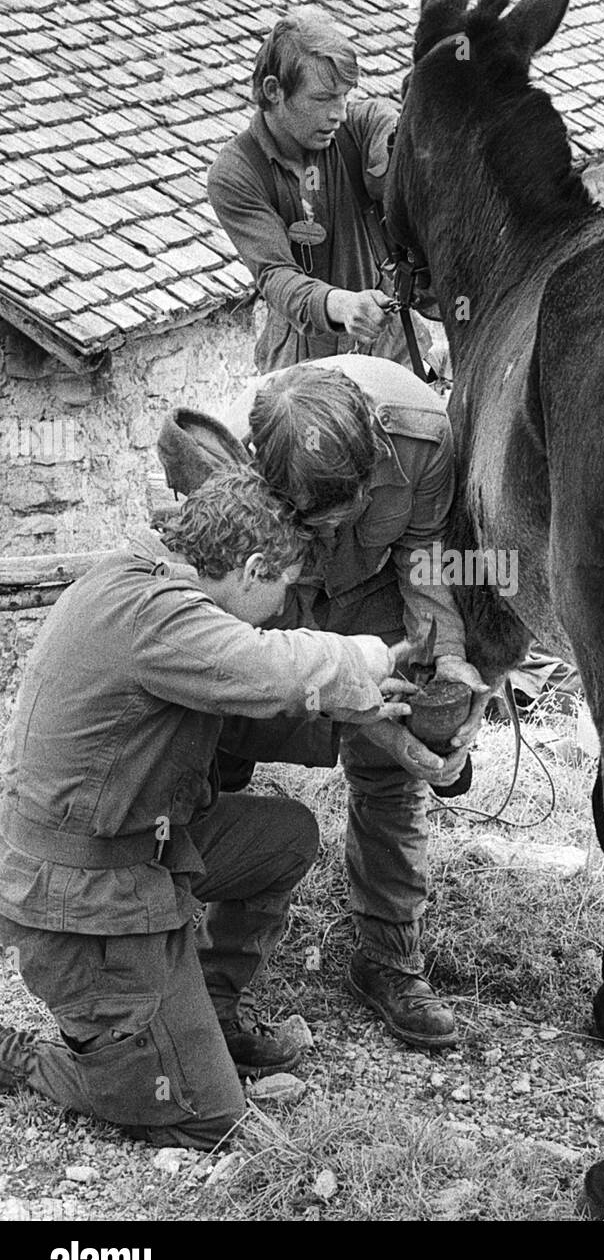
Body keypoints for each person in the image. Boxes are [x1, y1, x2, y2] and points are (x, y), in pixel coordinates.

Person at [0, 468, 409, 1150]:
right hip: (83, 903)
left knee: (284, 837)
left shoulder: (144, 580)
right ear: (251, 567)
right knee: (204, 1116)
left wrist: (363, 704)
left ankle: (214, 1013)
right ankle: (27, 1060)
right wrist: (358, 655)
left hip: (136, 855)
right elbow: (269, 666)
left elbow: (244, 711)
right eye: (282, 586)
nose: (283, 605)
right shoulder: (155, 612)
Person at [160, 357, 493, 1050]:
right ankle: (177, 939)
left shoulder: (422, 437)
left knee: (391, 766)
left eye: (353, 507)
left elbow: (426, 557)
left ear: (376, 455)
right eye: (318, 518)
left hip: (375, 598)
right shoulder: (233, 455)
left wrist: (449, 653)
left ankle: (388, 959)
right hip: (268, 599)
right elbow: (218, 591)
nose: (338, 530)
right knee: (212, 744)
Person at [207, 7, 434, 374]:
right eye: (323, 99)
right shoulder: (236, 173)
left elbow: (397, 169)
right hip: (304, 372)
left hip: (393, 352)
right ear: (273, 91)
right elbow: (276, 275)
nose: (339, 113)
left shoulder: (362, 127)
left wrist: (404, 152)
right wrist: (341, 305)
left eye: (344, 97)